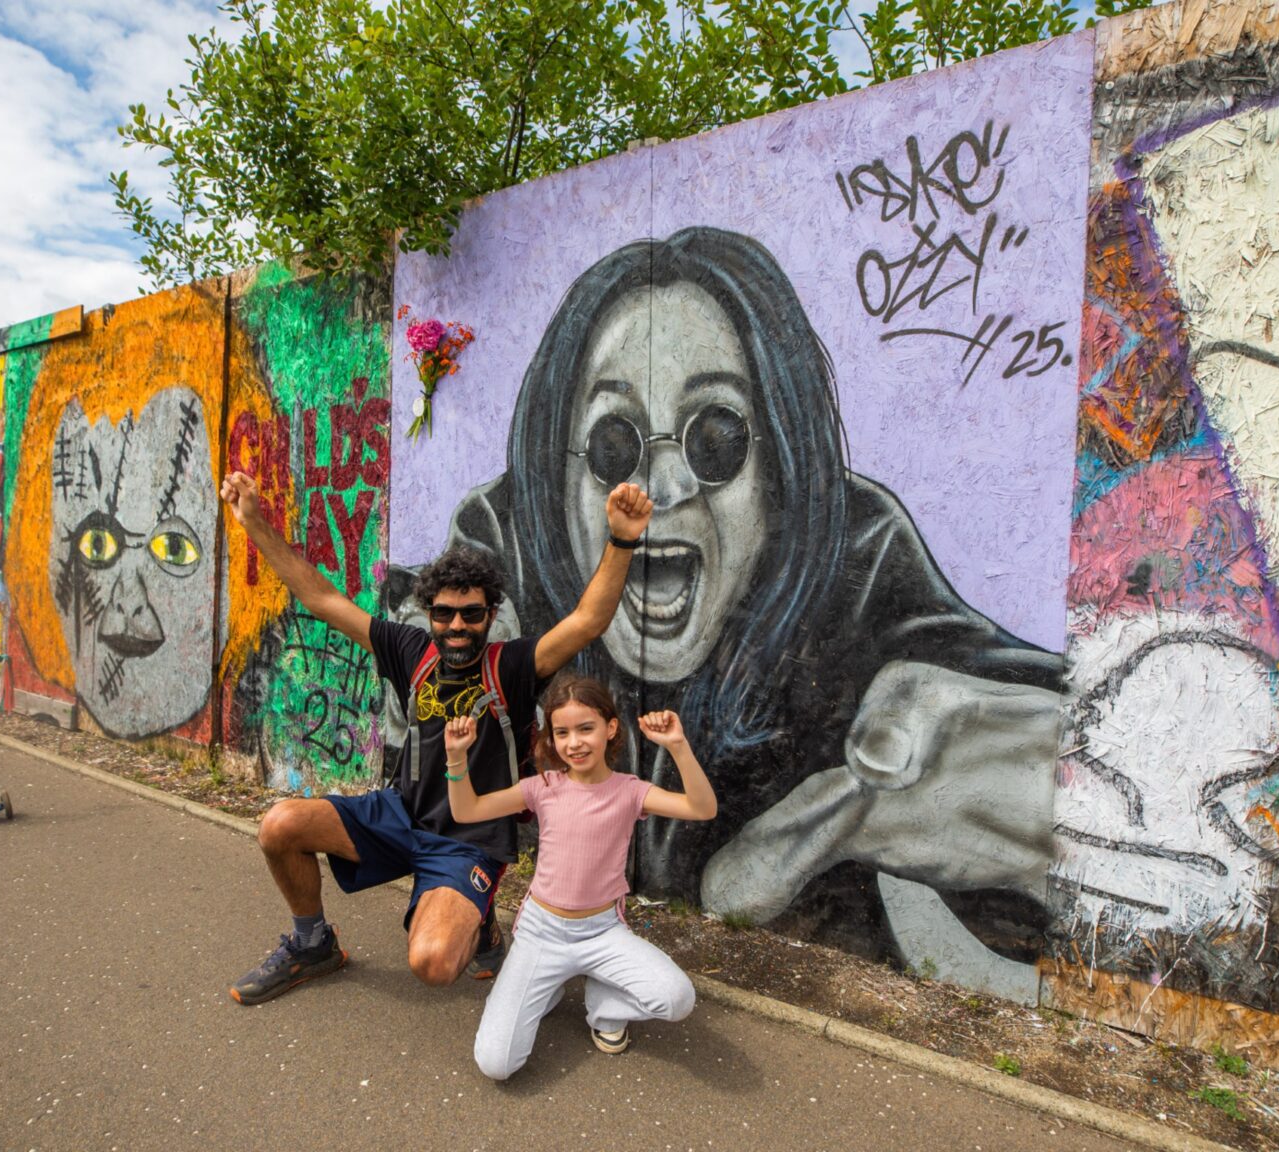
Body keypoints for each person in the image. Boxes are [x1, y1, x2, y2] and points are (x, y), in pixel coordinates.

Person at [429, 226, 1065, 960]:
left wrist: (1055, 809)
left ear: (778, 467)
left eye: (717, 438)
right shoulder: (505, 541)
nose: (661, 490)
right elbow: (430, 644)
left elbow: (995, 717)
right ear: (558, 468)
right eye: (613, 444)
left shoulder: (851, 558)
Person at [219, 470, 654, 1003]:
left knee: (433, 963)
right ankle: (313, 945)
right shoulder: (409, 651)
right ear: (429, 614)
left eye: (471, 614)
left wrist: (622, 538)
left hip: (468, 840)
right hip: (401, 814)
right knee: (279, 826)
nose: (456, 626)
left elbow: (588, 620)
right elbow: (323, 600)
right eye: (444, 613)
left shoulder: (513, 665)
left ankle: (482, 922)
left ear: (490, 615)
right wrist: (256, 524)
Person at [444, 676, 716, 1080]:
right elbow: (467, 811)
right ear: (552, 740)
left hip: (603, 932)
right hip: (541, 933)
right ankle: (547, 985)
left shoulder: (630, 791)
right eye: (562, 733)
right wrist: (455, 758)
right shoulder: (543, 787)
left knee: (677, 999)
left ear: (609, 728)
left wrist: (677, 744)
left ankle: (605, 1007)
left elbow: (702, 807)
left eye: (586, 728)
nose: (574, 743)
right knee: (496, 1065)